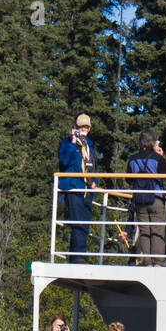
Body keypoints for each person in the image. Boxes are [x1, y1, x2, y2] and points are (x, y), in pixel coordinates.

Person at [58, 113, 98, 264]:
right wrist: (73, 143)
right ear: (75, 127)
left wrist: (94, 181)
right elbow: (64, 161)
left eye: (86, 126)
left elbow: (93, 166)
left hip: (87, 189)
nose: (83, 129)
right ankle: (78, 257)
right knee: (78, 222)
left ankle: (79, 256)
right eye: (80, 126)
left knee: (85, 223)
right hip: (74, 186)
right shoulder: (67, 143)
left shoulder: (89, 146)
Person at [127, 128, 166, 266]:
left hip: (139, 199)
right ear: (153, 142)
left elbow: (128, 179)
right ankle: (158, 262)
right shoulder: (157, 158)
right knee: (157, 230)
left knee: (144, 231)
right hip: (156, 197)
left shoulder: (133, 159)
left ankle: (147, 262)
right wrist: (161, 156)